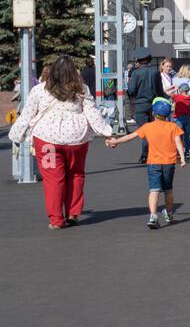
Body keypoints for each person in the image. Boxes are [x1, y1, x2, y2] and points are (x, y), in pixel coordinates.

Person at [7, 55, 113, 229]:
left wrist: (16, 135)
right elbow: (93, 114)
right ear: (73, 72)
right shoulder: (82, 89)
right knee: (76, 175)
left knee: (53, 180)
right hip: (77, 140)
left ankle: (56, 220)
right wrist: (107, 133)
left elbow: (27, 114)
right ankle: (73, 213)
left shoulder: (39, 90)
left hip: (47, 139)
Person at [106, 97, 186, 228]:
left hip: (153, 162)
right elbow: (178, 143)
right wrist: (182, 158)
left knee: (154, 190)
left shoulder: (147, 127)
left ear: (153, 113)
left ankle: (153, 216)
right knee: (168, 190)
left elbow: (130, 137)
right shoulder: (173, 127)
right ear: (168, 114)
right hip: (169, 163)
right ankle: (169, 212)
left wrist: (115, 141)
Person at [125, 55, 165, 162]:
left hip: (140, 104)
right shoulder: (155, 72)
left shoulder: (135, 73)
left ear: (138, 61)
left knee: (144, 131)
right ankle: (152, 152)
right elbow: (160, 91)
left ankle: (145, 154)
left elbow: (131, 90)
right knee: (153, 130)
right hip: (153, 104)